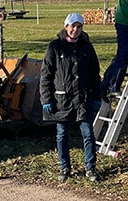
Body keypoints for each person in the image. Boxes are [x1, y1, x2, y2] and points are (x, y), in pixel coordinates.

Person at [40, 12, 103, 182]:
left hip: (83, 98)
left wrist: (97, 97)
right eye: (73, 26)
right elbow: (46, 75)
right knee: (62, 134)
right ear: (66, 26)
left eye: (79, 27)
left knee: (88, 134)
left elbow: (94, 74)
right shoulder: (55, 47)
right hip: (62, 100)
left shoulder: (87, 47)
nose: (75, 30)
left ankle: (90, 168)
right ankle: (64, 167)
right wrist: (46, 99)